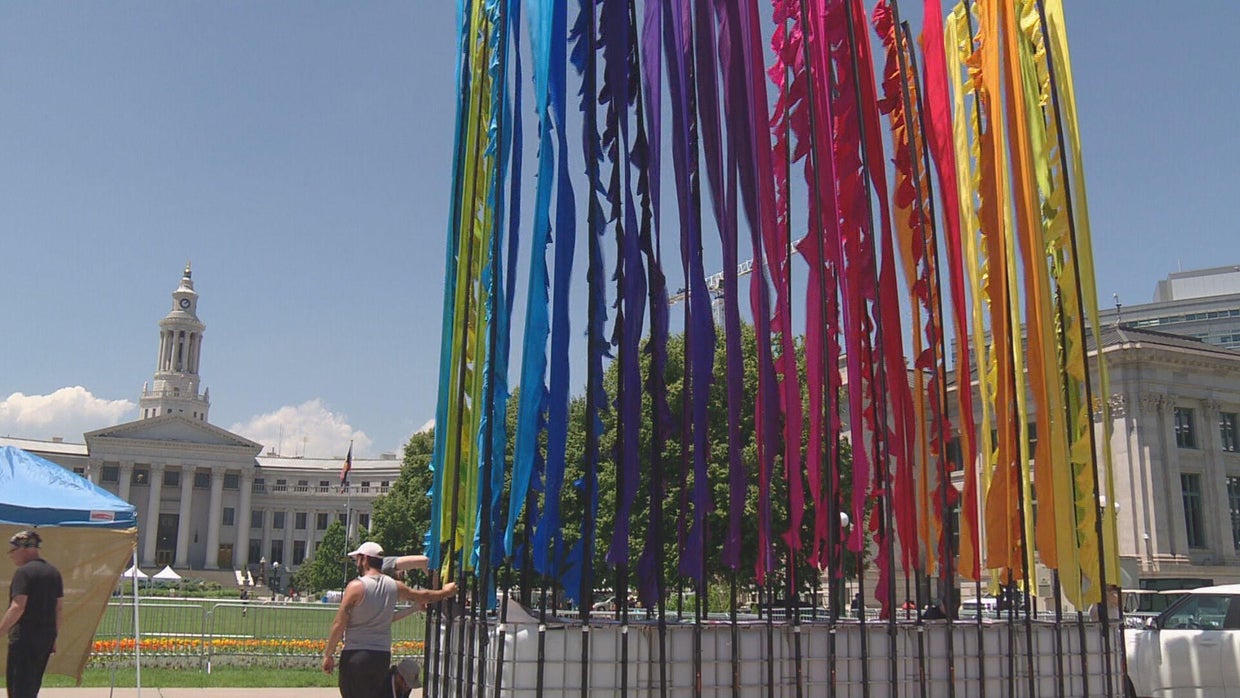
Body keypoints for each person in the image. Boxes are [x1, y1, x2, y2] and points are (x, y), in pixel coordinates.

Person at [322, 541, 455, 698]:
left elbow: (339, 623)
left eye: (357, 559)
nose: (356, 563)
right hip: (381, 656)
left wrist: (328, 654)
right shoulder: (394, 586)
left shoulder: (356, 587)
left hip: (356, 654)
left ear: (364, 559)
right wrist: (445, 592)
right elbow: (423, 596)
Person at [1, 530, 64, 698]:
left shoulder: (24, 573)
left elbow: (18, 607)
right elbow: (58, 608)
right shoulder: (53, 573)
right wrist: (54, 638)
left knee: (18, 688)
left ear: (24, 549)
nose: (11, 556)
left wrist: (0, 631)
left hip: (24, 638)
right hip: (45, 637)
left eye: (13, 551)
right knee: (32, 685)